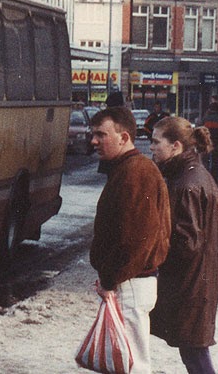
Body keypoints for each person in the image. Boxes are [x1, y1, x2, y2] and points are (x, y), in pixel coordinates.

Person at [88, 106, 171, 374]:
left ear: (124, 137)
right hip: (129, 280)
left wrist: (110, 279)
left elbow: (136, 238)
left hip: (130, 282)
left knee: (130, 364)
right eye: (93, 134)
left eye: (101, 135)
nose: (94, 141)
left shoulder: (136, 172)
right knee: (124, 361)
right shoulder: (128, 169)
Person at [148, 116, 218, 374]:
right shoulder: (193, 176)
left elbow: (186, 242)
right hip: (198, 279)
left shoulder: (186, 183)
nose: (151, 147)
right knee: (192, 349)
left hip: (191, 282)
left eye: (156, 142)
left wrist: (153, 255)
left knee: (194, 351)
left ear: (175, 146)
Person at [200, 97, 218, 182]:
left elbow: (201, 130)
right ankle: (216, 178)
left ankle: (206, 177)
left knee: (206, 161)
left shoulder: (205, 119)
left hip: (207, 142)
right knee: (217, 161)